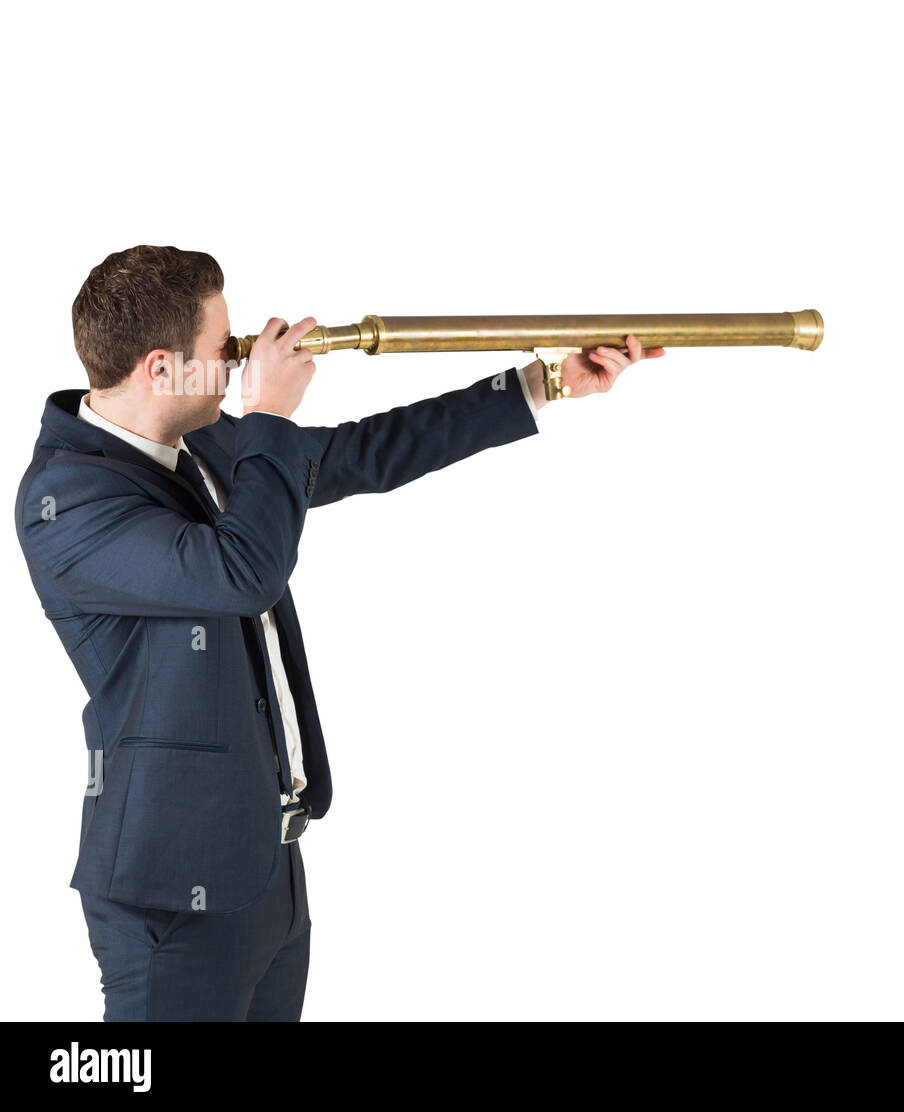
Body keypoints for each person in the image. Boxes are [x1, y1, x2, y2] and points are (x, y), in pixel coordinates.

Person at [14, 245, 665, 1021]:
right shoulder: (68, 502)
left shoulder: (207, 441)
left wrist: (544, 382)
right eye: (223, 350)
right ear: (161, 369)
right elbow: (241, 571)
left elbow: (363, 453)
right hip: (172, 897)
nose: (240, 363)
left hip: (267, 871)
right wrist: (266, 416)